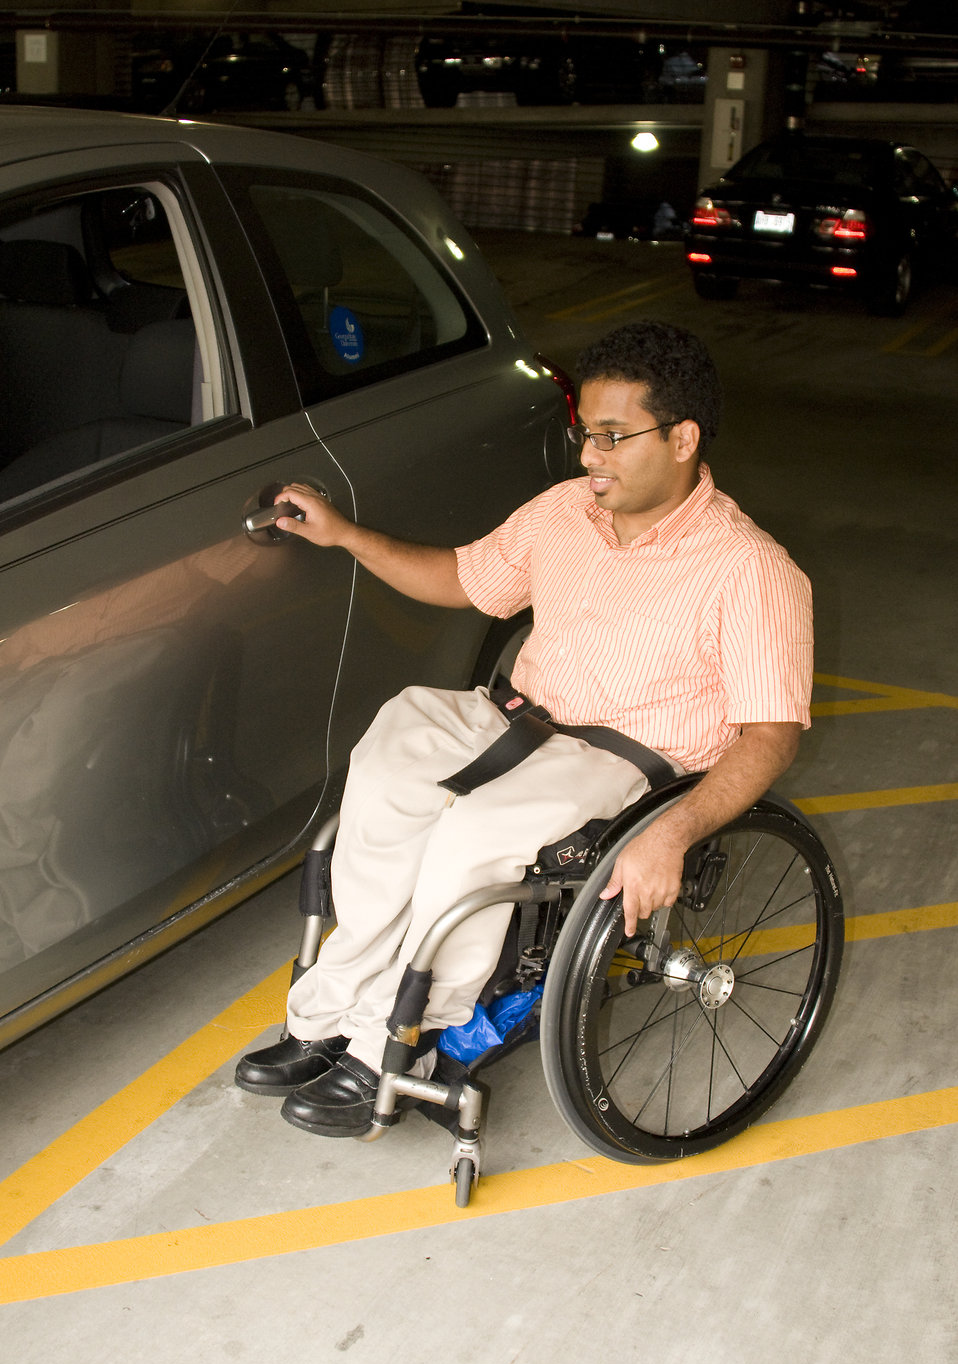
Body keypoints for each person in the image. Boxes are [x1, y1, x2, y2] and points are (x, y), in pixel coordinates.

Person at [235, 321, 813, 1138]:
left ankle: (399, 1044)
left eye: (614, 438)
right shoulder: (564, 513)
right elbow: (465, 578)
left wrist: (674, 834)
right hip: (521, 718)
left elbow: (769, 737)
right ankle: (329, 1011)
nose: (590, 458)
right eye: (586, 433)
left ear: (682, 439)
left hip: (629, 756)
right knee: (397, 744)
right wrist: (344, 534)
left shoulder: (750, 570)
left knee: (473, 834)